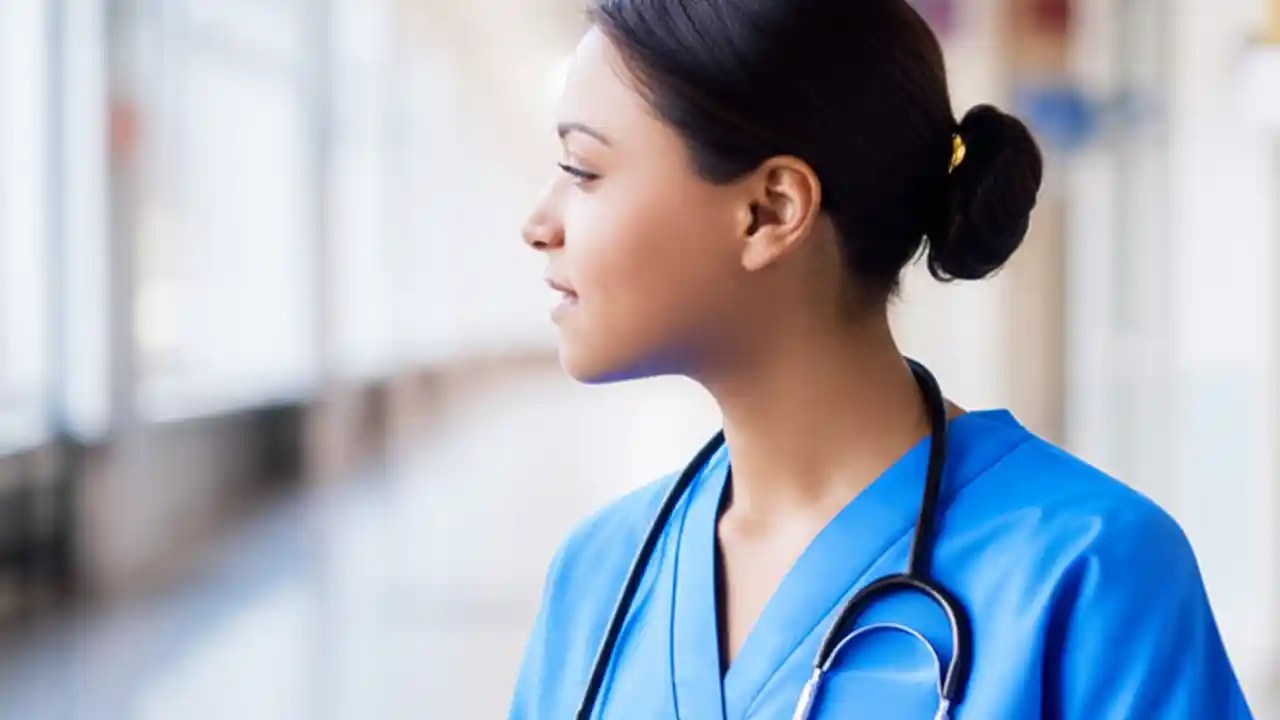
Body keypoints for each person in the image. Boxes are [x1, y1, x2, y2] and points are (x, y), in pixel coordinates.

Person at [512, 1, 1253, 717]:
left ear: (770, 210)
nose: (538, 225)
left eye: (583, 171)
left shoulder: (1088, 574)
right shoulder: (601, 575)